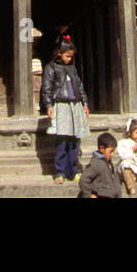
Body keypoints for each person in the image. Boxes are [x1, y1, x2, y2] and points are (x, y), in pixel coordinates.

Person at [41, 41, 89, 184]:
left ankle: (72, 171)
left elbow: (79, 86)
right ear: (59, 53)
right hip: (61, 105)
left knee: (74, 140)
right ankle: (60, 171)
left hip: (75, 105)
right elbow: (47, 87)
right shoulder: (51, 68)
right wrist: (48, 104)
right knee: (62, 140)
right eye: (67, 56)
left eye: (71, 57)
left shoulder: (72, 68)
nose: (69, 59)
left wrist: (84, 102)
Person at [78, 132, 122, 198]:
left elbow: (116, 182)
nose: (112, 154)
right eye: (111, 151)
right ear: (102, 149)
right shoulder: (96, 163)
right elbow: (83, 180)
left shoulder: (109, 164)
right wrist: (89, 195)